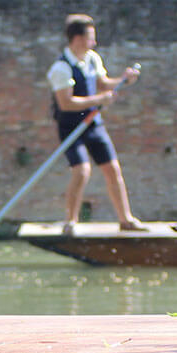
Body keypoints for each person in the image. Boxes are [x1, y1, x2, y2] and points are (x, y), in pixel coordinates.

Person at [47, 13, 145, 235]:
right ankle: (71, 221)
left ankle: (126, 219)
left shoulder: (92, 59)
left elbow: (102, 83)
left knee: (112, 169)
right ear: (78, 39)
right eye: (90, 37)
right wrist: (99, 100)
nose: (94, 42)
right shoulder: (61, 68)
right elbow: (66, 103)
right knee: (81, 171)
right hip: (71, 127)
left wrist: (123, 80)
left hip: (93, 124)